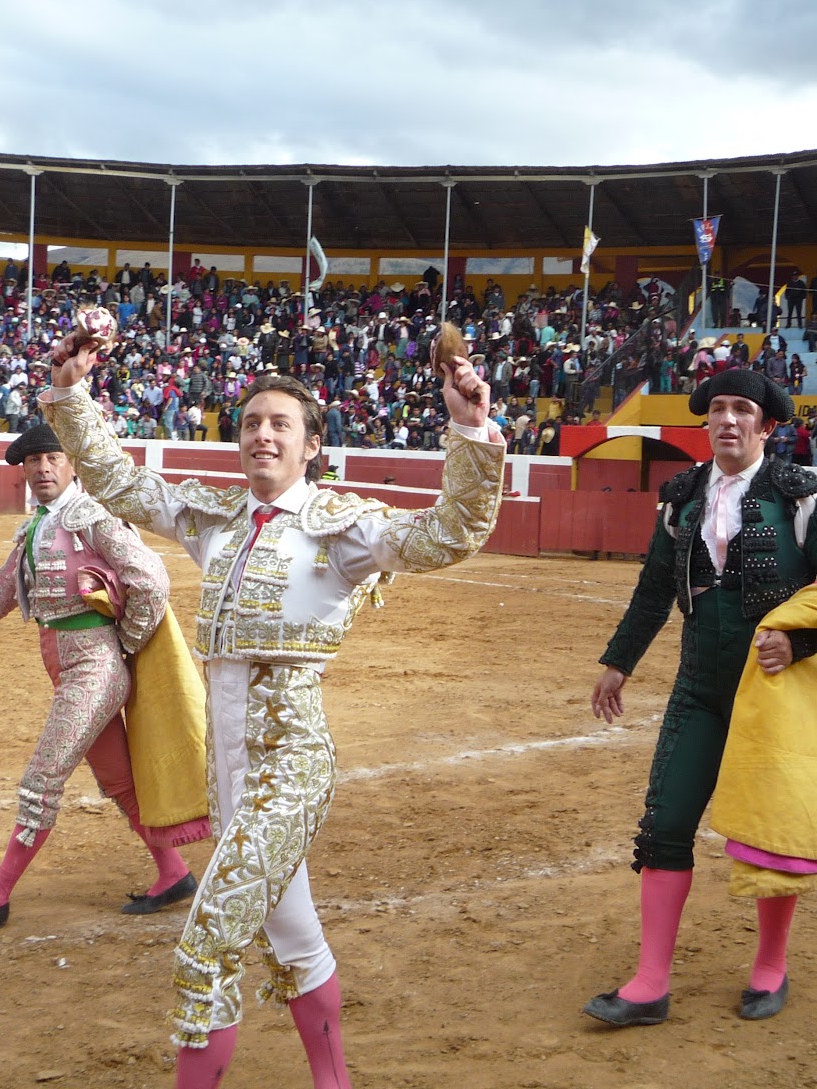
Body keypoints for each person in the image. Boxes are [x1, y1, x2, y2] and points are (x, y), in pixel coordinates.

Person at [42, 336, 506, 1087]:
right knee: (292, 935)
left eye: (281, 424)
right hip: (227, 766)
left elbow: (449, 534)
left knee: (207, 947)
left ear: (312, 446)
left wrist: (470, 432)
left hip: (290, 761)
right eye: (252, 421)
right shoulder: (216, 518)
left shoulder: (343, 527)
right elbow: (122, 485)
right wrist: (71, 397)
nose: (262, 432)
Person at [582, 368, 817, 1030]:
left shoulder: (803, 496)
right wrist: (618, 662)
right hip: (699, 687)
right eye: (718, 410)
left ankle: (770, 967)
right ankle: (651, 983)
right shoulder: (681, 496)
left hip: (774, 694)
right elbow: (655, 588)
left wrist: (800, 642)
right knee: (666, 823)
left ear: (767, 425)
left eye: (742, 410)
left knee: (771, 831)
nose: (728, 420)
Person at [0, 423, 209, 928]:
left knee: (42, 779)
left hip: (93, 670)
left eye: (52, 459)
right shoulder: (38, 526)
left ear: (72, 465)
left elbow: (152, 579)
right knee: (119, 783)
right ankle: (172, 873)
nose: (42, 469)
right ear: (23, 471)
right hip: (70, 669)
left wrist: (126, 643)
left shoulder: (92, 517)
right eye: (33, 462)